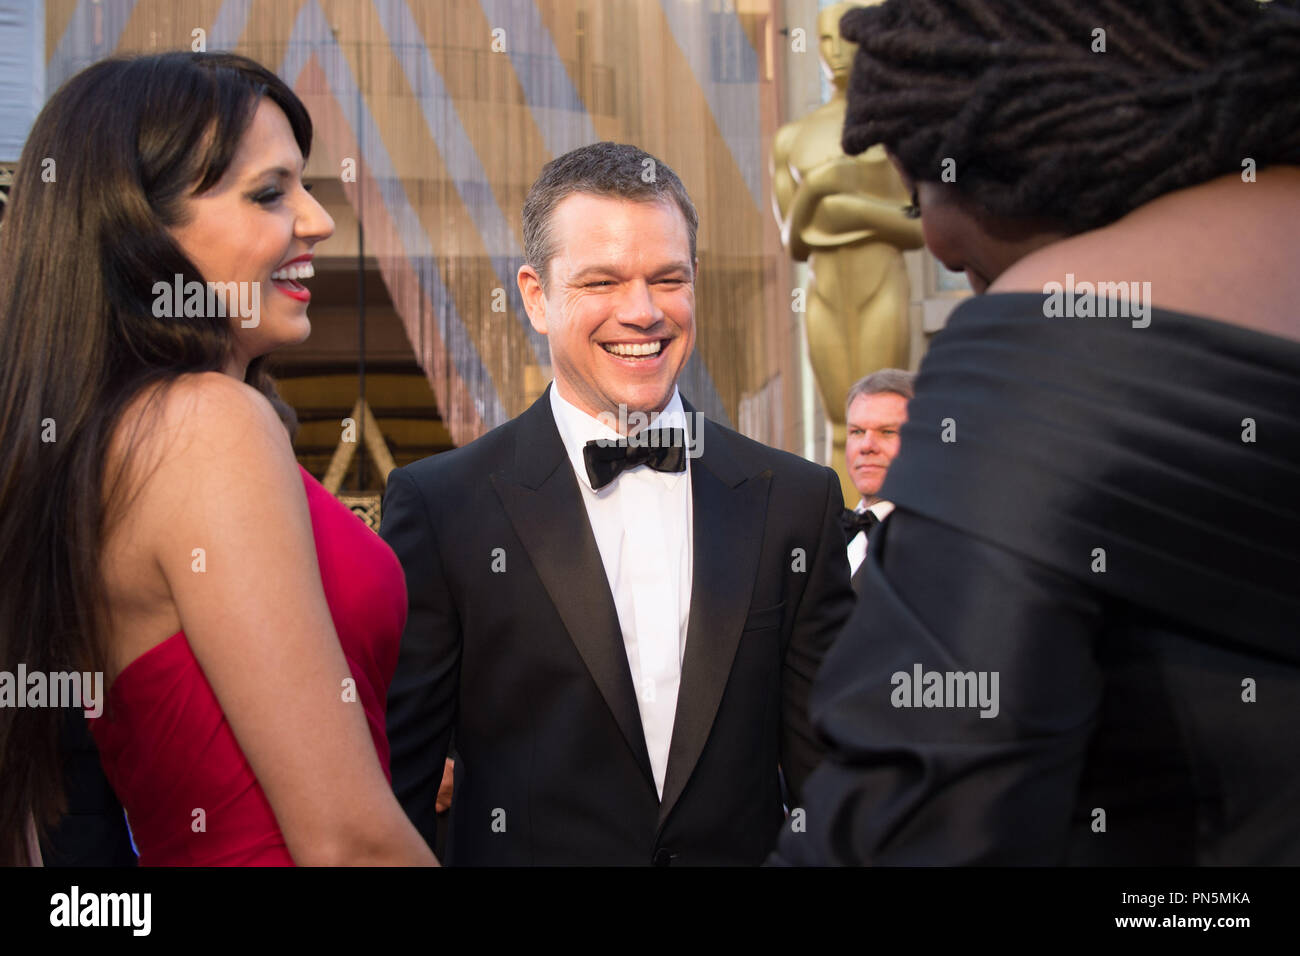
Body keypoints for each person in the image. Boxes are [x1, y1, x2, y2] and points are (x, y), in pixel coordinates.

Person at [774, 0, 1300, 865]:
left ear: (1004, 132)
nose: (935, 244)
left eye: (920, 194)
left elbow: (919, 823)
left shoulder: (1046, 342)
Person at [0, 52, 436, 866]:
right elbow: (347, 842)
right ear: (140, 230)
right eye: (269, 194)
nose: (317, 220)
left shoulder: (130, 436)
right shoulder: (204, 424)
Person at [382, 142, 855, 865]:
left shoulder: (797, 501)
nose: (642, 312)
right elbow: (400, 794)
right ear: (537, 297)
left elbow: (834, 783)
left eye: (668, 278)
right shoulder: (444, 507)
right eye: (602, 282)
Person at [841, 369, 912, 593]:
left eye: (888, 432)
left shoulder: (949, 545)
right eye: (857, 431)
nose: (867, 446)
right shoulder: (829, 533)